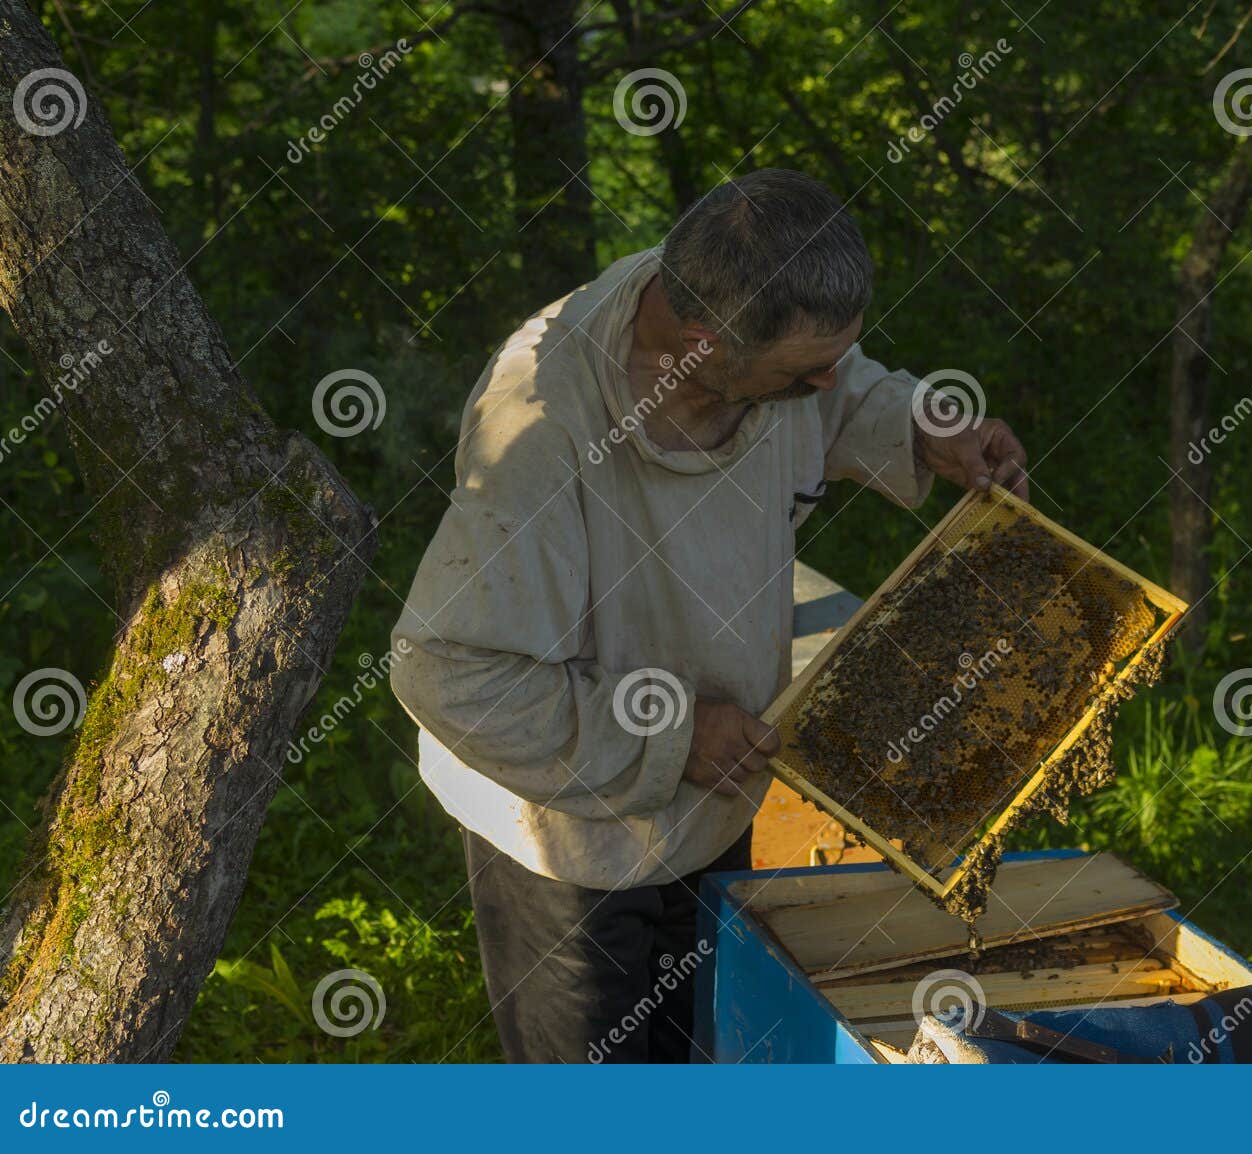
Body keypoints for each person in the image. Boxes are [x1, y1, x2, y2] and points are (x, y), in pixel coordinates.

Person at [390, 168, 1028, 1063]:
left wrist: (927, 427)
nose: (826, 382)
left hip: (720, 800)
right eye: (801, 373)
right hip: (572, 842)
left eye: (836, 354)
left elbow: (844, 388)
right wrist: (673, 738)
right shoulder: (540, 435)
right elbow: (447, 669)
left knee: (706, 1059)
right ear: (701, 346)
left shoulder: (746, 309)